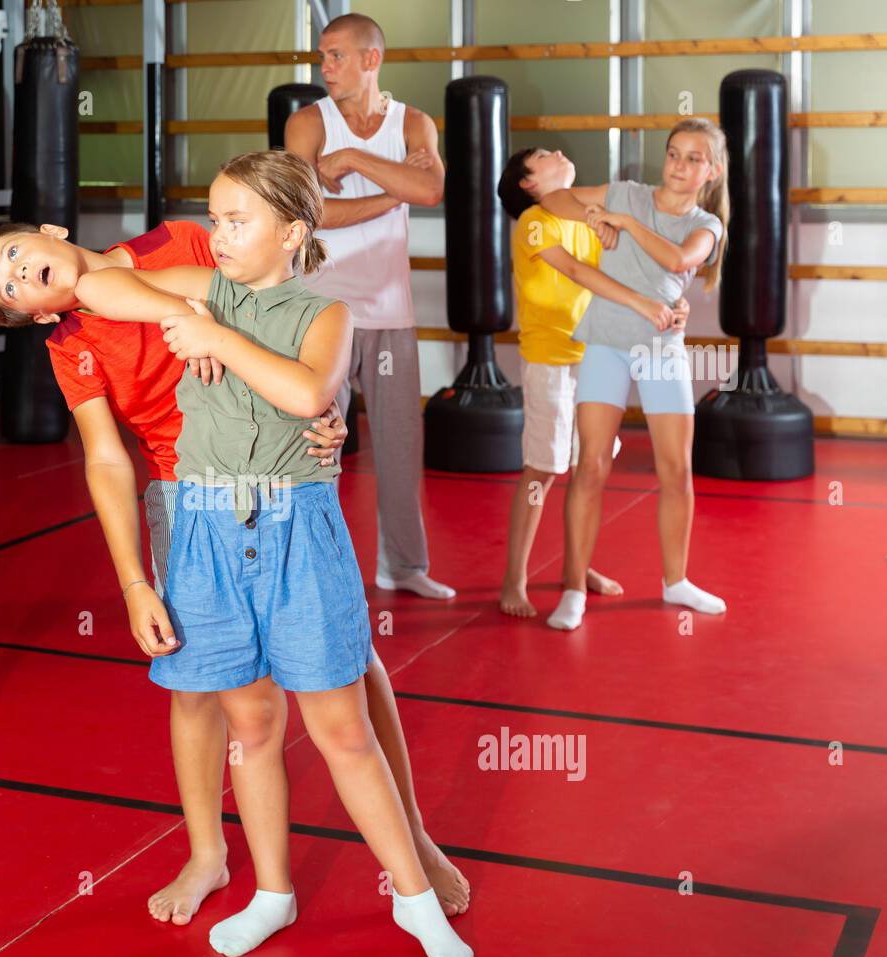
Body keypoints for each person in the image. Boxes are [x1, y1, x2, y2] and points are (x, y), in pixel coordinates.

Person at [0, 219, 471, 922]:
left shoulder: (180, 245)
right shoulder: (72, 345)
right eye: (8, 289)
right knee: (199, 683)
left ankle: (413, 834)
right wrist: (134, 582)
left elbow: (293, 318)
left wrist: (332, 409)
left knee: (350, 663)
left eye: (14, 255)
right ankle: (208, 853)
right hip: (185, 497)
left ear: (50, 231)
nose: (19, 275)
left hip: (279, 475)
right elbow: (106, 459)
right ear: (37, 313)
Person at [74, 150, 473, 957]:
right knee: (250, 730)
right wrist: (171, 306)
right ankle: (273, 891)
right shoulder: (203, 287)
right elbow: (97, 290)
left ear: (291, 233)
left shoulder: (326, 311)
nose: (217, 235)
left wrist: (215, 336)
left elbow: (305, 394)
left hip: (297, 531)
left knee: (341, 729)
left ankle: (413, 895)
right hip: (205, 532)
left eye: (236, 220)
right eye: (213, 218)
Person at [285, 12, 454, 600]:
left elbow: (431, 190)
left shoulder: (413, 123)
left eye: (335, 55)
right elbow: (308, 213)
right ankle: (305, 570)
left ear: (370, 60)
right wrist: (392, 192)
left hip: (389, 312)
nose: (324, 67)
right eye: (322, 56)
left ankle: (403, 568)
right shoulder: (307, 123)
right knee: (311, 449)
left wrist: (354, 161)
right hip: (318, 312)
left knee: (401, 447)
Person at [539, 119, 729, 632]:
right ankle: (574, 586)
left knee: (676, 470)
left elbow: (675, 257)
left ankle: (676, 582)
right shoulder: (628, 192)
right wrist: (591, 212)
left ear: (711, 172)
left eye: (693, 158)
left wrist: (620, 221)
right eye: (673, 153)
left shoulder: (707, 224)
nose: (679, 165)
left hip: (661, 349)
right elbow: (554, 201)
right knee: (591, 467)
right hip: (606, 343)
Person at [496, 146, 689, 618]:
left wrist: (669, 304)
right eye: (544, 155)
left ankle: (575, 573)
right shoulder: (535, 221)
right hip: (550, 360)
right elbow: (578, 272)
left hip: (594, 354)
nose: (560, 150)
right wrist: (643, 306)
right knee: (543, 469)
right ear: (528, 182)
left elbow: (627, 271)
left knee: (589, 469)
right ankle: (514, 578)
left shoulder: (587, 218)